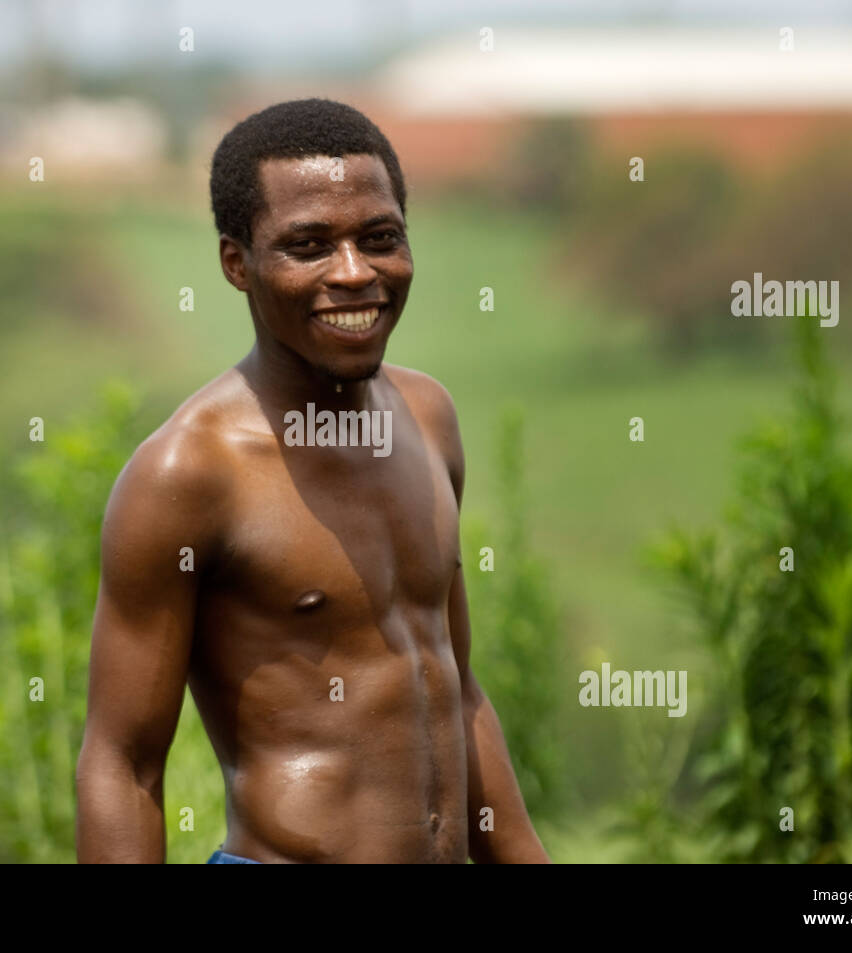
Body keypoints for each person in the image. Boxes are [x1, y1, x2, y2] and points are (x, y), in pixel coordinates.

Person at [76, 98, 548, 863]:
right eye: (308, 246)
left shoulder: (429, 418)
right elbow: (123, 762)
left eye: (380, 238)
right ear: (239, 264)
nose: (355, 273)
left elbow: (456, 689)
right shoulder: (188, 473)